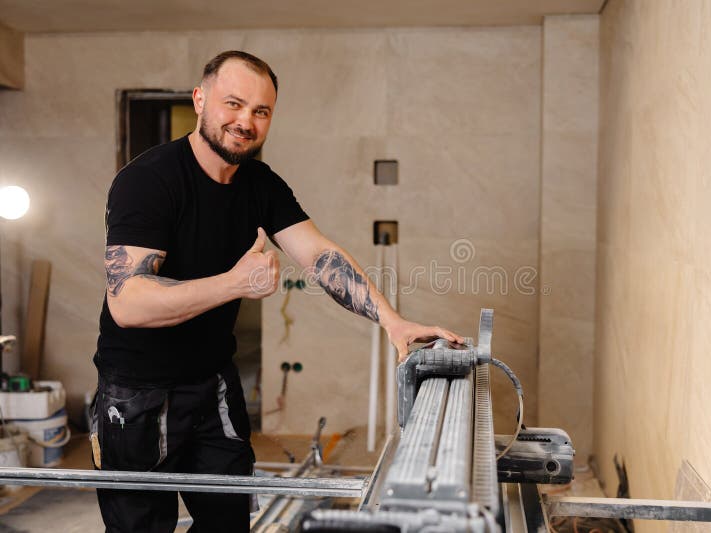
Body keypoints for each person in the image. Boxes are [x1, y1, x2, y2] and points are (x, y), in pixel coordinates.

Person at [91, 50, 461, 532]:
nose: (246, 121)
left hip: (213, 385)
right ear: (200, 100)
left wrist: (391, 319)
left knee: (229, 522)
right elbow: (128, 304)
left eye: (261, 111)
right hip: (137, 395)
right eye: (234, 104)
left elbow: (318, 255)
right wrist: (235, 284)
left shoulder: (259, 183)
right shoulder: (147, 180)